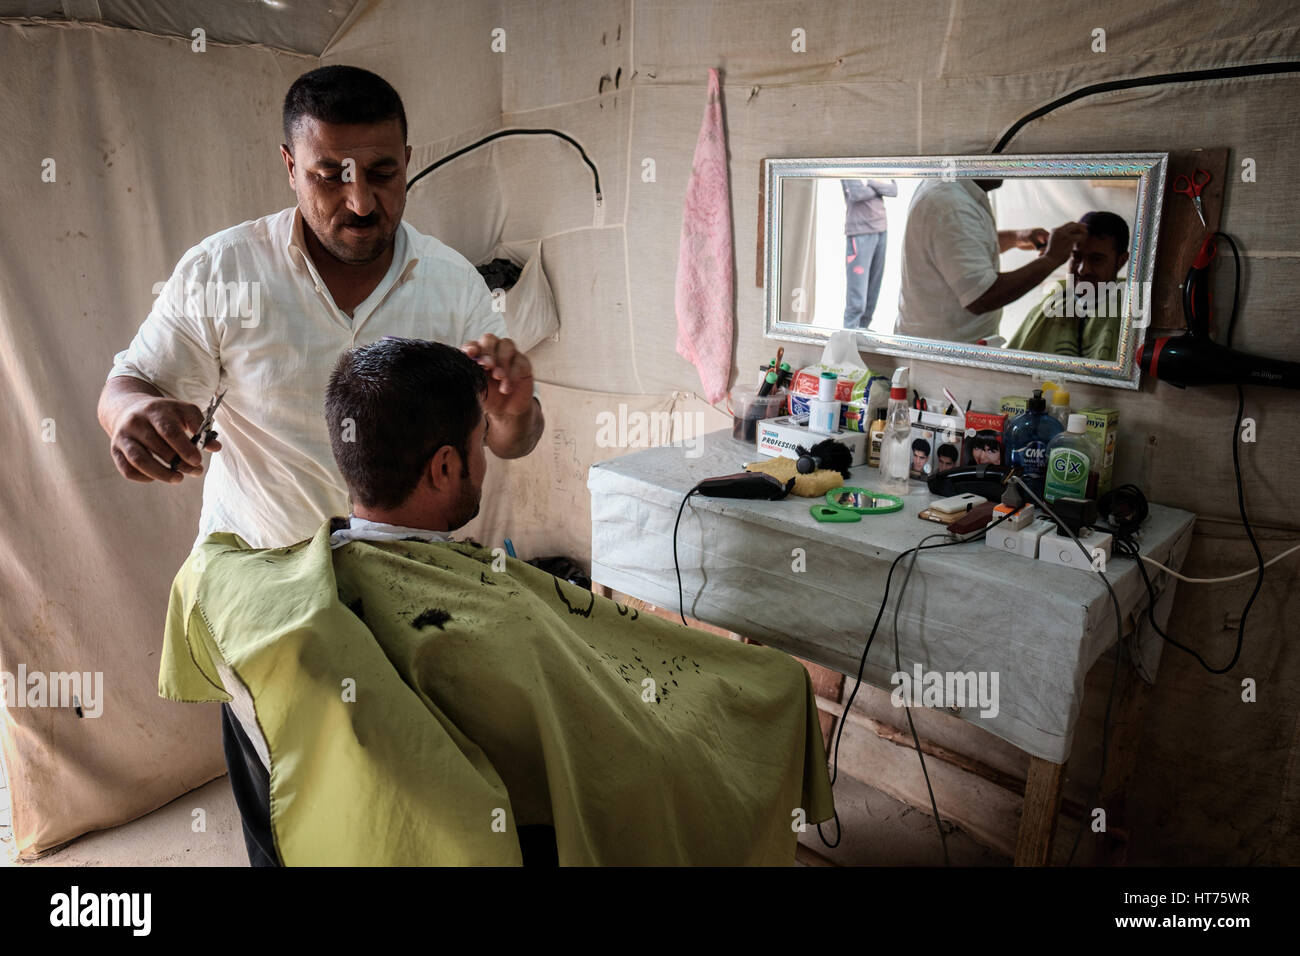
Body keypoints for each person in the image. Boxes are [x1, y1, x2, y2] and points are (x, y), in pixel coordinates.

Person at [97, 65, 545, 866]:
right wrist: (133, 416)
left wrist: (513, 413)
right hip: (274, 608)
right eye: (329, 175)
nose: (361, 201)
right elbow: (127, 383)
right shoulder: (225, 273)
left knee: (405, 807)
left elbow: (510, 440)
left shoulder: (449, 284)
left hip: (407, 600)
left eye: (381, 173)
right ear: (287, 164)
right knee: (292, 815)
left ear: (409, 159)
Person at [157, 337, 835, 865]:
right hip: (525, 827)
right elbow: (582, 742)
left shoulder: (288, 589)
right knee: (755, 694)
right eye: (482, 442)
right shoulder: (490, 624)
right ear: (446, 466)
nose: (488, 456)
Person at [895, 178, 1087, 343]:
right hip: (942, 357)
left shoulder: (954, 191)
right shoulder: (950, 203)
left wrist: (1016, 238)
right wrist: (1051, 259)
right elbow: (982, 296)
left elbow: (961, 248)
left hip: (948, 349)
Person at [1006, 211, 1130, 360]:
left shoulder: (1129, 314)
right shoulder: (1052, 304)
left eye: (1096, 260)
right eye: (1076, 257)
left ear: (1121, 261)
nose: (1082, 270)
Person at [841, 178, 898, 329]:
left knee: (872, 295)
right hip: (859, 232)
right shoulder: (850, 161)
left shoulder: (879, 162)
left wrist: (870, 182)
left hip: (881, 230)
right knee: (857, 301)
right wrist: (880, 185)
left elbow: (893, 190)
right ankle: (849, 340)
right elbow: (857, 193)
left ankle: (862, 337)